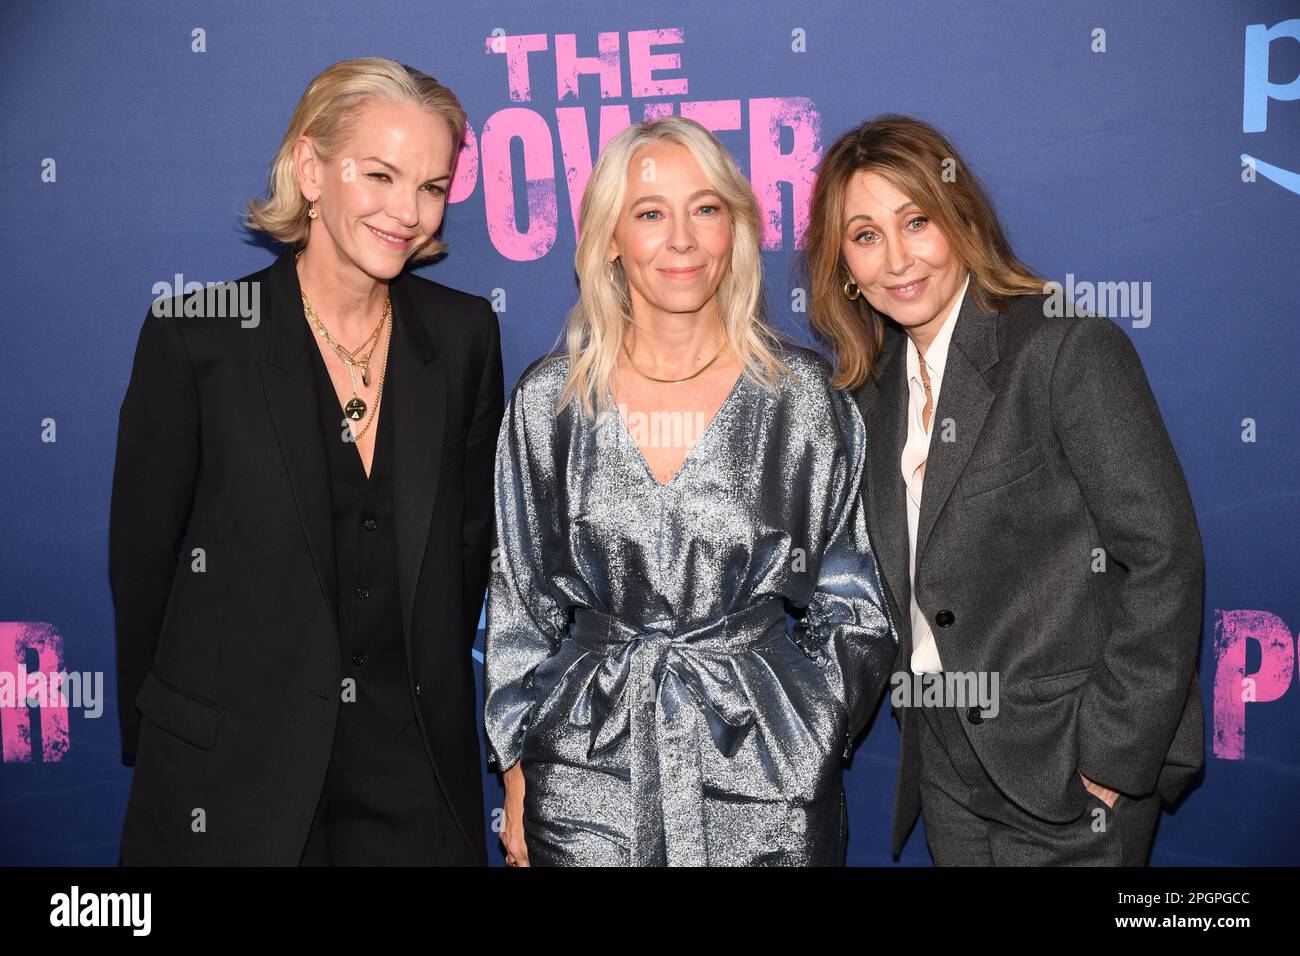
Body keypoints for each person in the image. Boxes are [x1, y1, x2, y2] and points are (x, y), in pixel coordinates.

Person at [110, 57, 502, 865]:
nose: (408, 212)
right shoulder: (199, 337)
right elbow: (142, 565)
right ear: (311, 170)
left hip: (409, 775)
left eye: (431, 187)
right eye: (382, 175)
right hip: (231, 777)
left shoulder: (463, 338)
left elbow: (468, 556)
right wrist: (173, 732)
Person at [482, 116, 898, 867]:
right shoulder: (549, 405)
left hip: (767, 774)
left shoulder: (802, 397)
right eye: (650, 213)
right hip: (584, 772)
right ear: (609, 239)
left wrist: (811, 725)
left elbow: (856, 599)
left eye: (706, 209)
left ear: (735, 230)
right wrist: (516, 766)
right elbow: (519, 603)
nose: (681, 239)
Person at [804, 114, 1204, 865]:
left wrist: (1111, 761)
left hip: (1066, 765)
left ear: (961, 220)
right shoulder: (871, 395)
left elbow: (1163, 557)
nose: (896, 258)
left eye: (916, 221)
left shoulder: (1061, 349)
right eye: (864, 236)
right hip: (948, 765)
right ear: (844, 268)